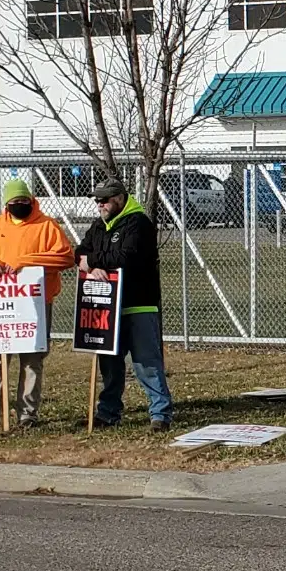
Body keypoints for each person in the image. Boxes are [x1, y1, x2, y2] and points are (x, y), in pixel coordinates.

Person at [0, 178, 77, 432]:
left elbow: (65, 257)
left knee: (32, 359)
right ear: (6, 205)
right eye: (14, 202)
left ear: (31, 200)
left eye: (23, 201)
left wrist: (25, 261)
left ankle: (27, 414)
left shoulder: (47, 226)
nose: (20, 205)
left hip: (35, 303)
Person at [82, 178, 174, 432]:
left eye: (104, 199)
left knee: (146, 363)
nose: (99, 204)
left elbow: (126, 257)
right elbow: (79, 252)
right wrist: (93, 264)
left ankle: (160, 414)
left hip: (139, 304)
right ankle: (108, 413)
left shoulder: (139, 223)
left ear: (120, 199)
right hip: (107, 307)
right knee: (109, 363)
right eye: (97, 200)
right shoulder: (98, 226)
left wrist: (92, 261)